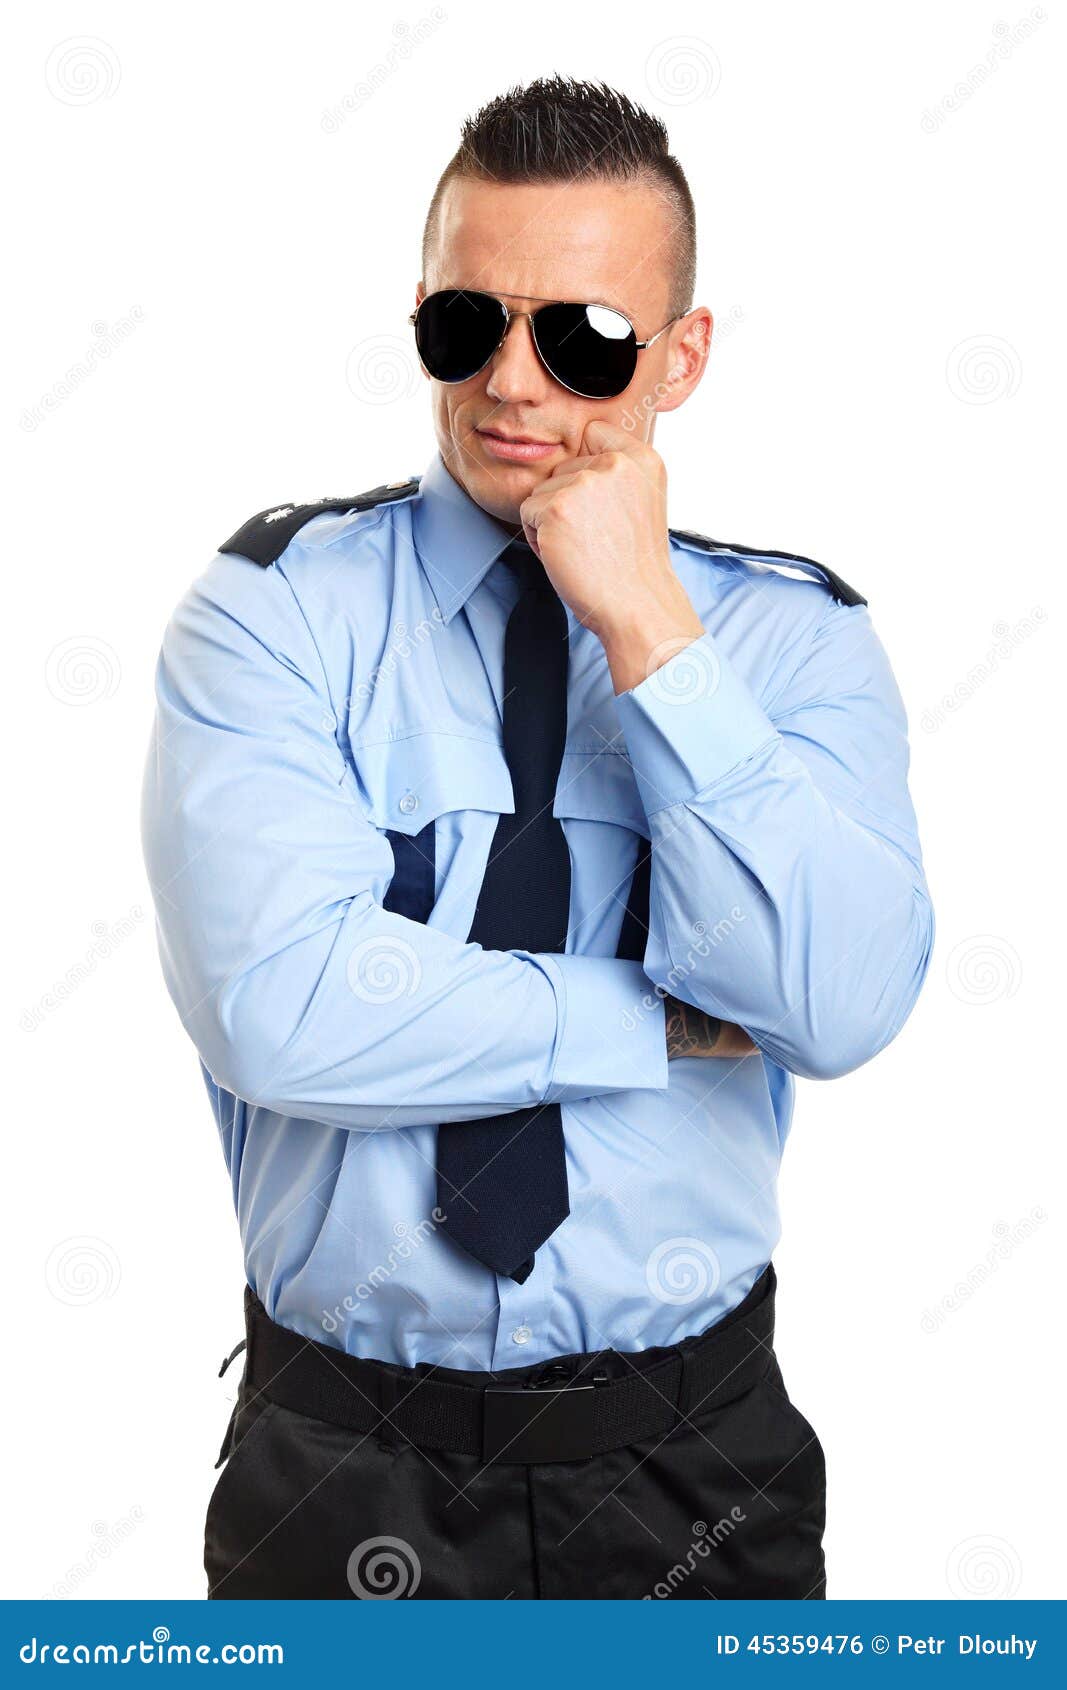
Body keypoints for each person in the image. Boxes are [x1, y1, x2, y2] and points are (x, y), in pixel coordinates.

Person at [141, 77, 933, 1600]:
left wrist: (649, 627)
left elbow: (837, 1007)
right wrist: (662, 1014)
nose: (511, 382)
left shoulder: (791, 641)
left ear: (681, 355)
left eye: (579, 337)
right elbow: (281, 1010)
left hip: (690, 1456)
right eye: (465, 324)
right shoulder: (274, 611)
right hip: (338, 1454)